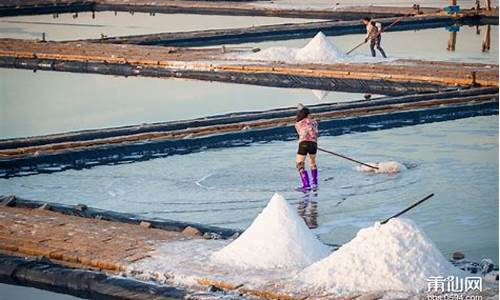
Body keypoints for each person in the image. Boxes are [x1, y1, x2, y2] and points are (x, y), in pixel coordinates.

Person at [295, 103, 319, 190]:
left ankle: (306, 185)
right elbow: (316, 133)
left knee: (300, 164)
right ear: (308, 114)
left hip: (303, 144)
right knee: (312, 163)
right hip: (313, 144)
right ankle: (315, 183)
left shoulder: (298, 123)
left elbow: (300, 134)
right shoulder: (315, 122)